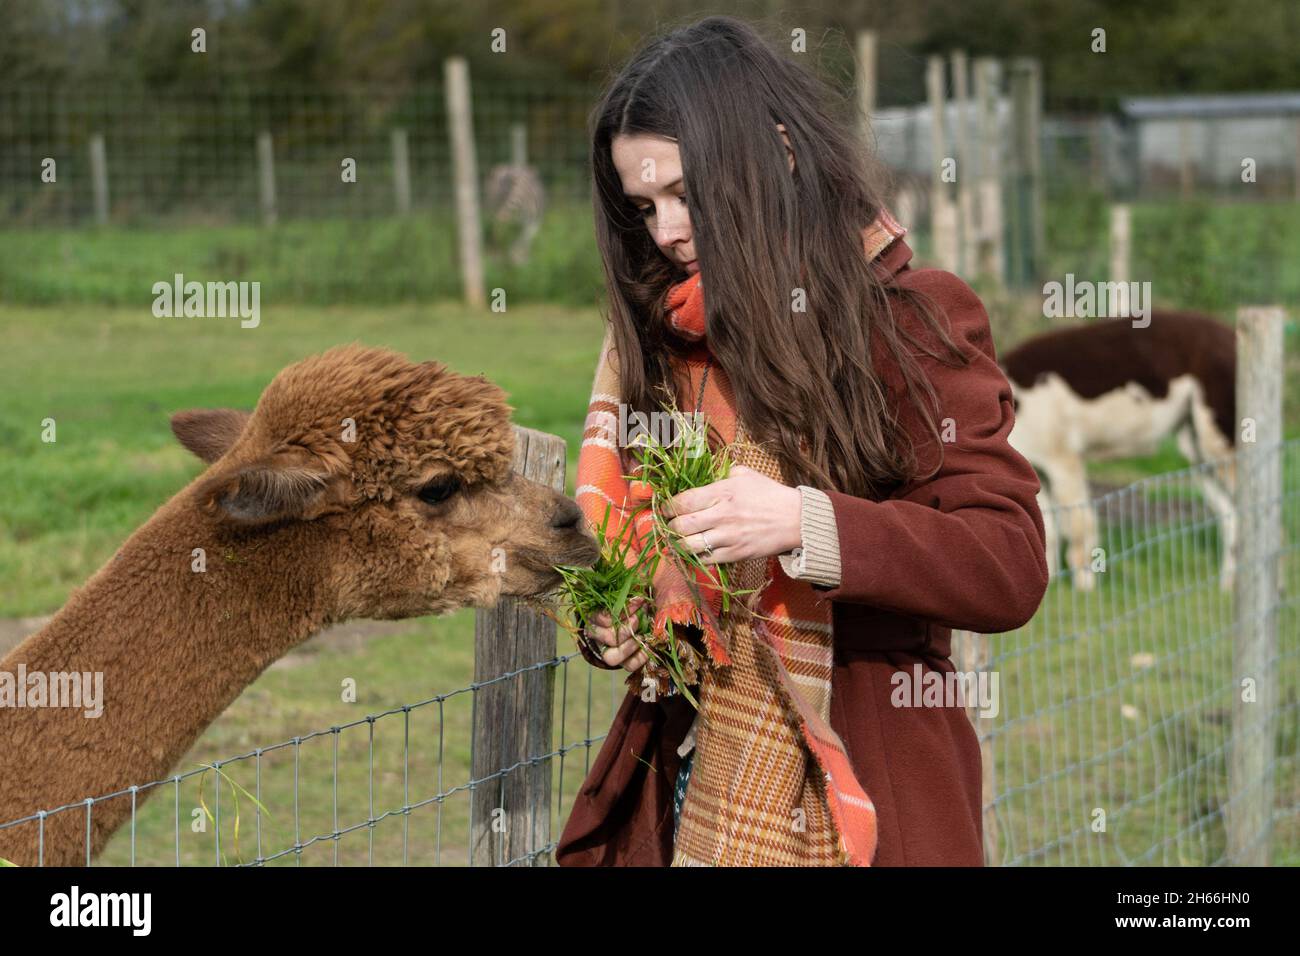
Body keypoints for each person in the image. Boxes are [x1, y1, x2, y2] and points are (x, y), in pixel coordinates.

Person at [558, 15, 1048, 866]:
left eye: (686, 194)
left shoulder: (909, 318)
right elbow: (643, 543)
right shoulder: (660, 341)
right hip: (695, 786)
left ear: (779, 154)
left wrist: (804, 522)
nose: (666, 233)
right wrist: (630, 622)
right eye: (643, 207)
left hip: (868, 788)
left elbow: (1007, 562)